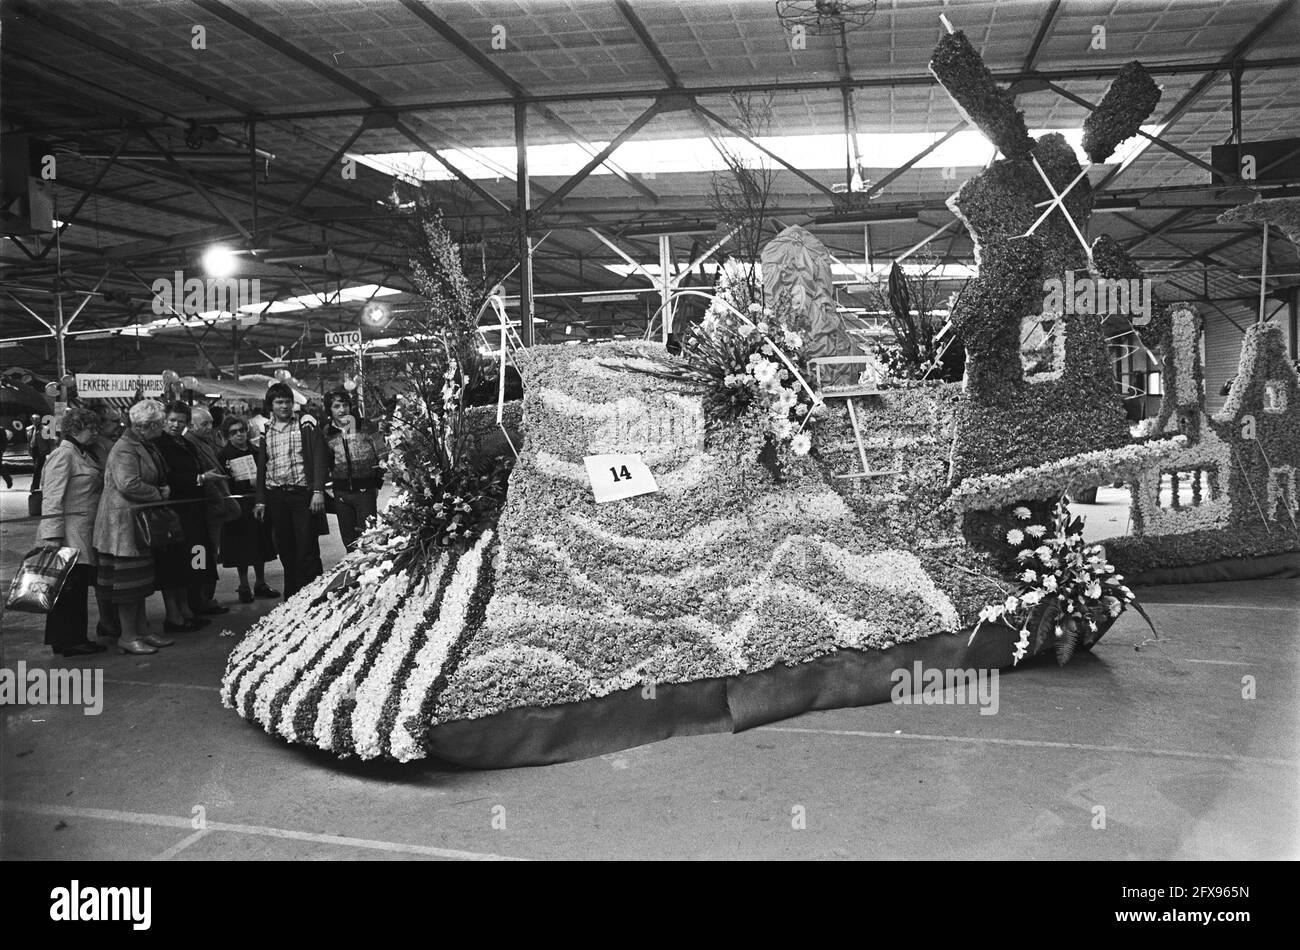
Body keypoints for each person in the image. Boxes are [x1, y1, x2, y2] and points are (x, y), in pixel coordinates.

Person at [94, 399, 171, 654]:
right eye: (160, 424)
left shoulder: (139, 443)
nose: (163, 428)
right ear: (147, 426)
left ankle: (143, 630)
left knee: (140, 583)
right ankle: (128, 636)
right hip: (122, 527)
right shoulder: (126, 448)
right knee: (128, 587)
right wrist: (159, 493)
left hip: (136, 524)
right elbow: (128, 484)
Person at [38, 407, 109, 656]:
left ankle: (72, 637)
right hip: (67, 533)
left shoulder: (83, 454)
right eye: (92, 428)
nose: (96, 433)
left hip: (80, 531)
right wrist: (52, 537)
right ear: (76, 428)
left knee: (74, 589)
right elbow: (52, 498)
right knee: (68, 590)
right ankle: (69, 640)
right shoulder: (63, 455)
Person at [255, 382, 327, 597]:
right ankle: (292, 598)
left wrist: (318, 491)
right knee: (286, 550)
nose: (284, 406)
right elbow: (262, 466)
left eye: (287, 402)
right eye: (279, 402)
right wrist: (260, 500)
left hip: (302, 495)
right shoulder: (265, 429)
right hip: (277, 496)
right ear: (271, 405)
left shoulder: (306, 424)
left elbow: (319, 458)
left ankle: (314, 597)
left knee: (307, 548)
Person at [152, 401, 218, 633]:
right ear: (163, 420)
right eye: (172, 420)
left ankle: (192, 604)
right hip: (174, 515)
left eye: (180, 421)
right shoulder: (159, 444)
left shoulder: (185, 443)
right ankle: (176, 612)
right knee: (175, 565)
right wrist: (198, 479)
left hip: (194, 512)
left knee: (196, 558)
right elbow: (167, 477)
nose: (175, 425)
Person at [218, 414, 279, 603]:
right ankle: (243, 584)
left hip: (257, 502)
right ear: (227, 435)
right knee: (241, 548)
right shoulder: (223, 456)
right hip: (237, 506)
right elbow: (222, 481)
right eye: (234, 432)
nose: (239, 435)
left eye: (242, 430)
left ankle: (260, 582)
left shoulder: (257, 450)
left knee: (260, 544)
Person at [323, 388, 386, 551]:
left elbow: (382, 454)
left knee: (369, 537)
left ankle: (372, 574)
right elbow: (326, 460)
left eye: (345, 405)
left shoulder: (365, 425)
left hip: (365, 490)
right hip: (341, 493)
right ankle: (354, 575)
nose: (342, 410)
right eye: (337, 406)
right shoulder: (327, 432)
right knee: (349, 541)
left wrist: (377, 482)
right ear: (329, 409)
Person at [185, 405, 231, 616]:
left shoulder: (207, 441)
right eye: (205, 424)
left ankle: (206, 596)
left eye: (211, 422)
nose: (210, 427)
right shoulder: (191, 443)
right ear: (192, 425)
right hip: (205, 511)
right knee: (202, 556)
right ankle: (200, 598)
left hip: (215, 509)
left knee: (211, 553)